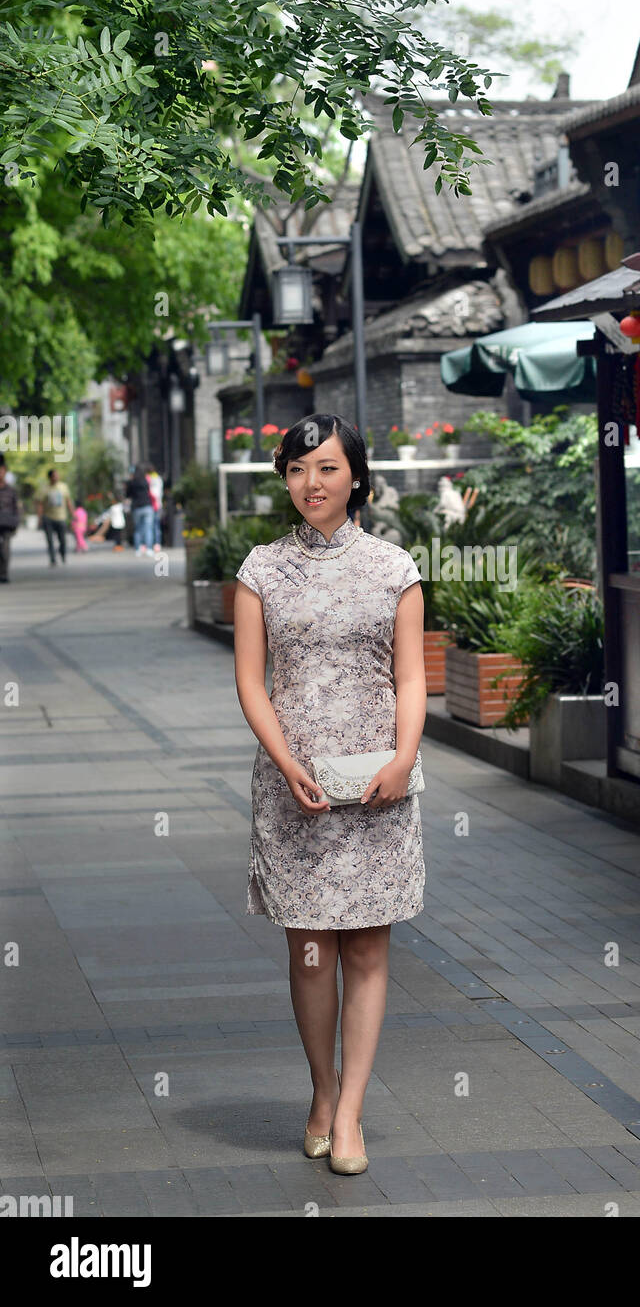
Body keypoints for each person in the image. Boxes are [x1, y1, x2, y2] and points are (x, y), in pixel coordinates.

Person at [234, 414, 426, 1176]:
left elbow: (412, 678)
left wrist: (404, 758)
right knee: (312, 952)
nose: (310, 483)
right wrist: (286, 764)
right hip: (297, 790)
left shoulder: (395, 568)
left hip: (379, 785)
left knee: (369, 947)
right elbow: (251, 681)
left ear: (357, 478)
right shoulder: (260, 571)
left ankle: (349, 1116)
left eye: (326, 468)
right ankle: (321, 1091)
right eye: (296, 469)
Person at [35, 468, 74, 565]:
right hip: (48, 517)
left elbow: (68, 501)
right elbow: (40, 504)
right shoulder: (44, 488)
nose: (56, 477)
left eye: (57, 475)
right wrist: (39, 518)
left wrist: (73, 513)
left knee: (63, 539)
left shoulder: (63, 487)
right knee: (50, 540)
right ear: (50, 477)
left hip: (61, 517)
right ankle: (52, 558)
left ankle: (63, 553)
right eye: (54, 475)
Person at [125, 463, 156, 556]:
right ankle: (149, 548)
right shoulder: (146, 481)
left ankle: (138, 548)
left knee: (138, 529)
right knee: (148, 529)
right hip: (147, 505)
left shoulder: (132, 482)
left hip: (136, 507)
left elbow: (127, 495)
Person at [0, 456, 20, 582]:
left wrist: (16, 522)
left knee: (5, 549)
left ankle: (3, 573)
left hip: (7, 524)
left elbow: (16, 508)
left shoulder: (11, 490)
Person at [146, 466, 163, 552]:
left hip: (152, 505)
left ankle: (152, 544)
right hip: (157, 505)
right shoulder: (158, 478)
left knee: (151, 525)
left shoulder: (149, 479)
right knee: (156, 525)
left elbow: (154, 493)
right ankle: (156, 544)